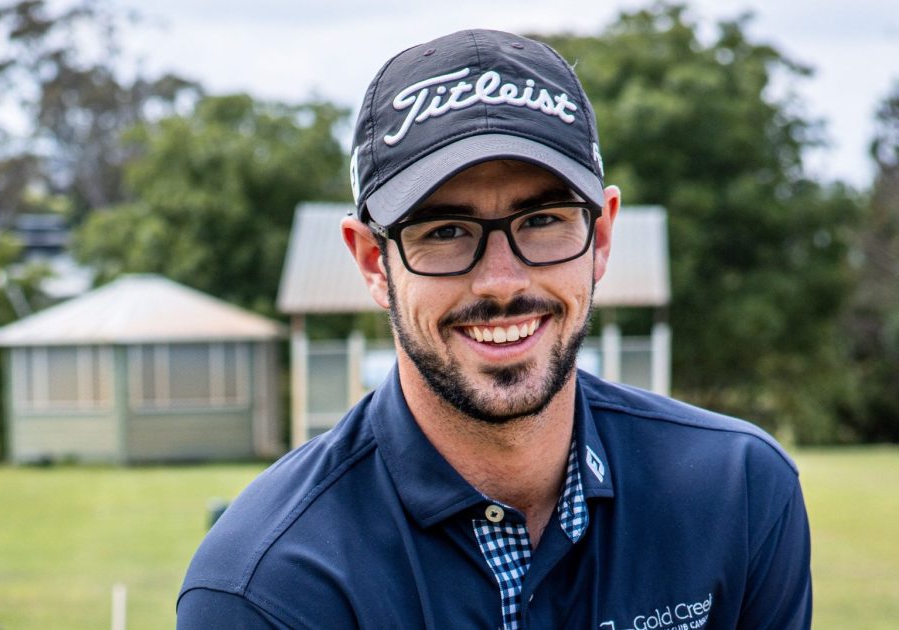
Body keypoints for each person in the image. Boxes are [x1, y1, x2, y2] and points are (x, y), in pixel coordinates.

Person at [177, 29, 811, 629]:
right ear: (374, 260)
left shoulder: (739, 493)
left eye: (541, 221)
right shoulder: (265, 586)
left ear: (602, 237)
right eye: (445, 232)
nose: (502, 282)